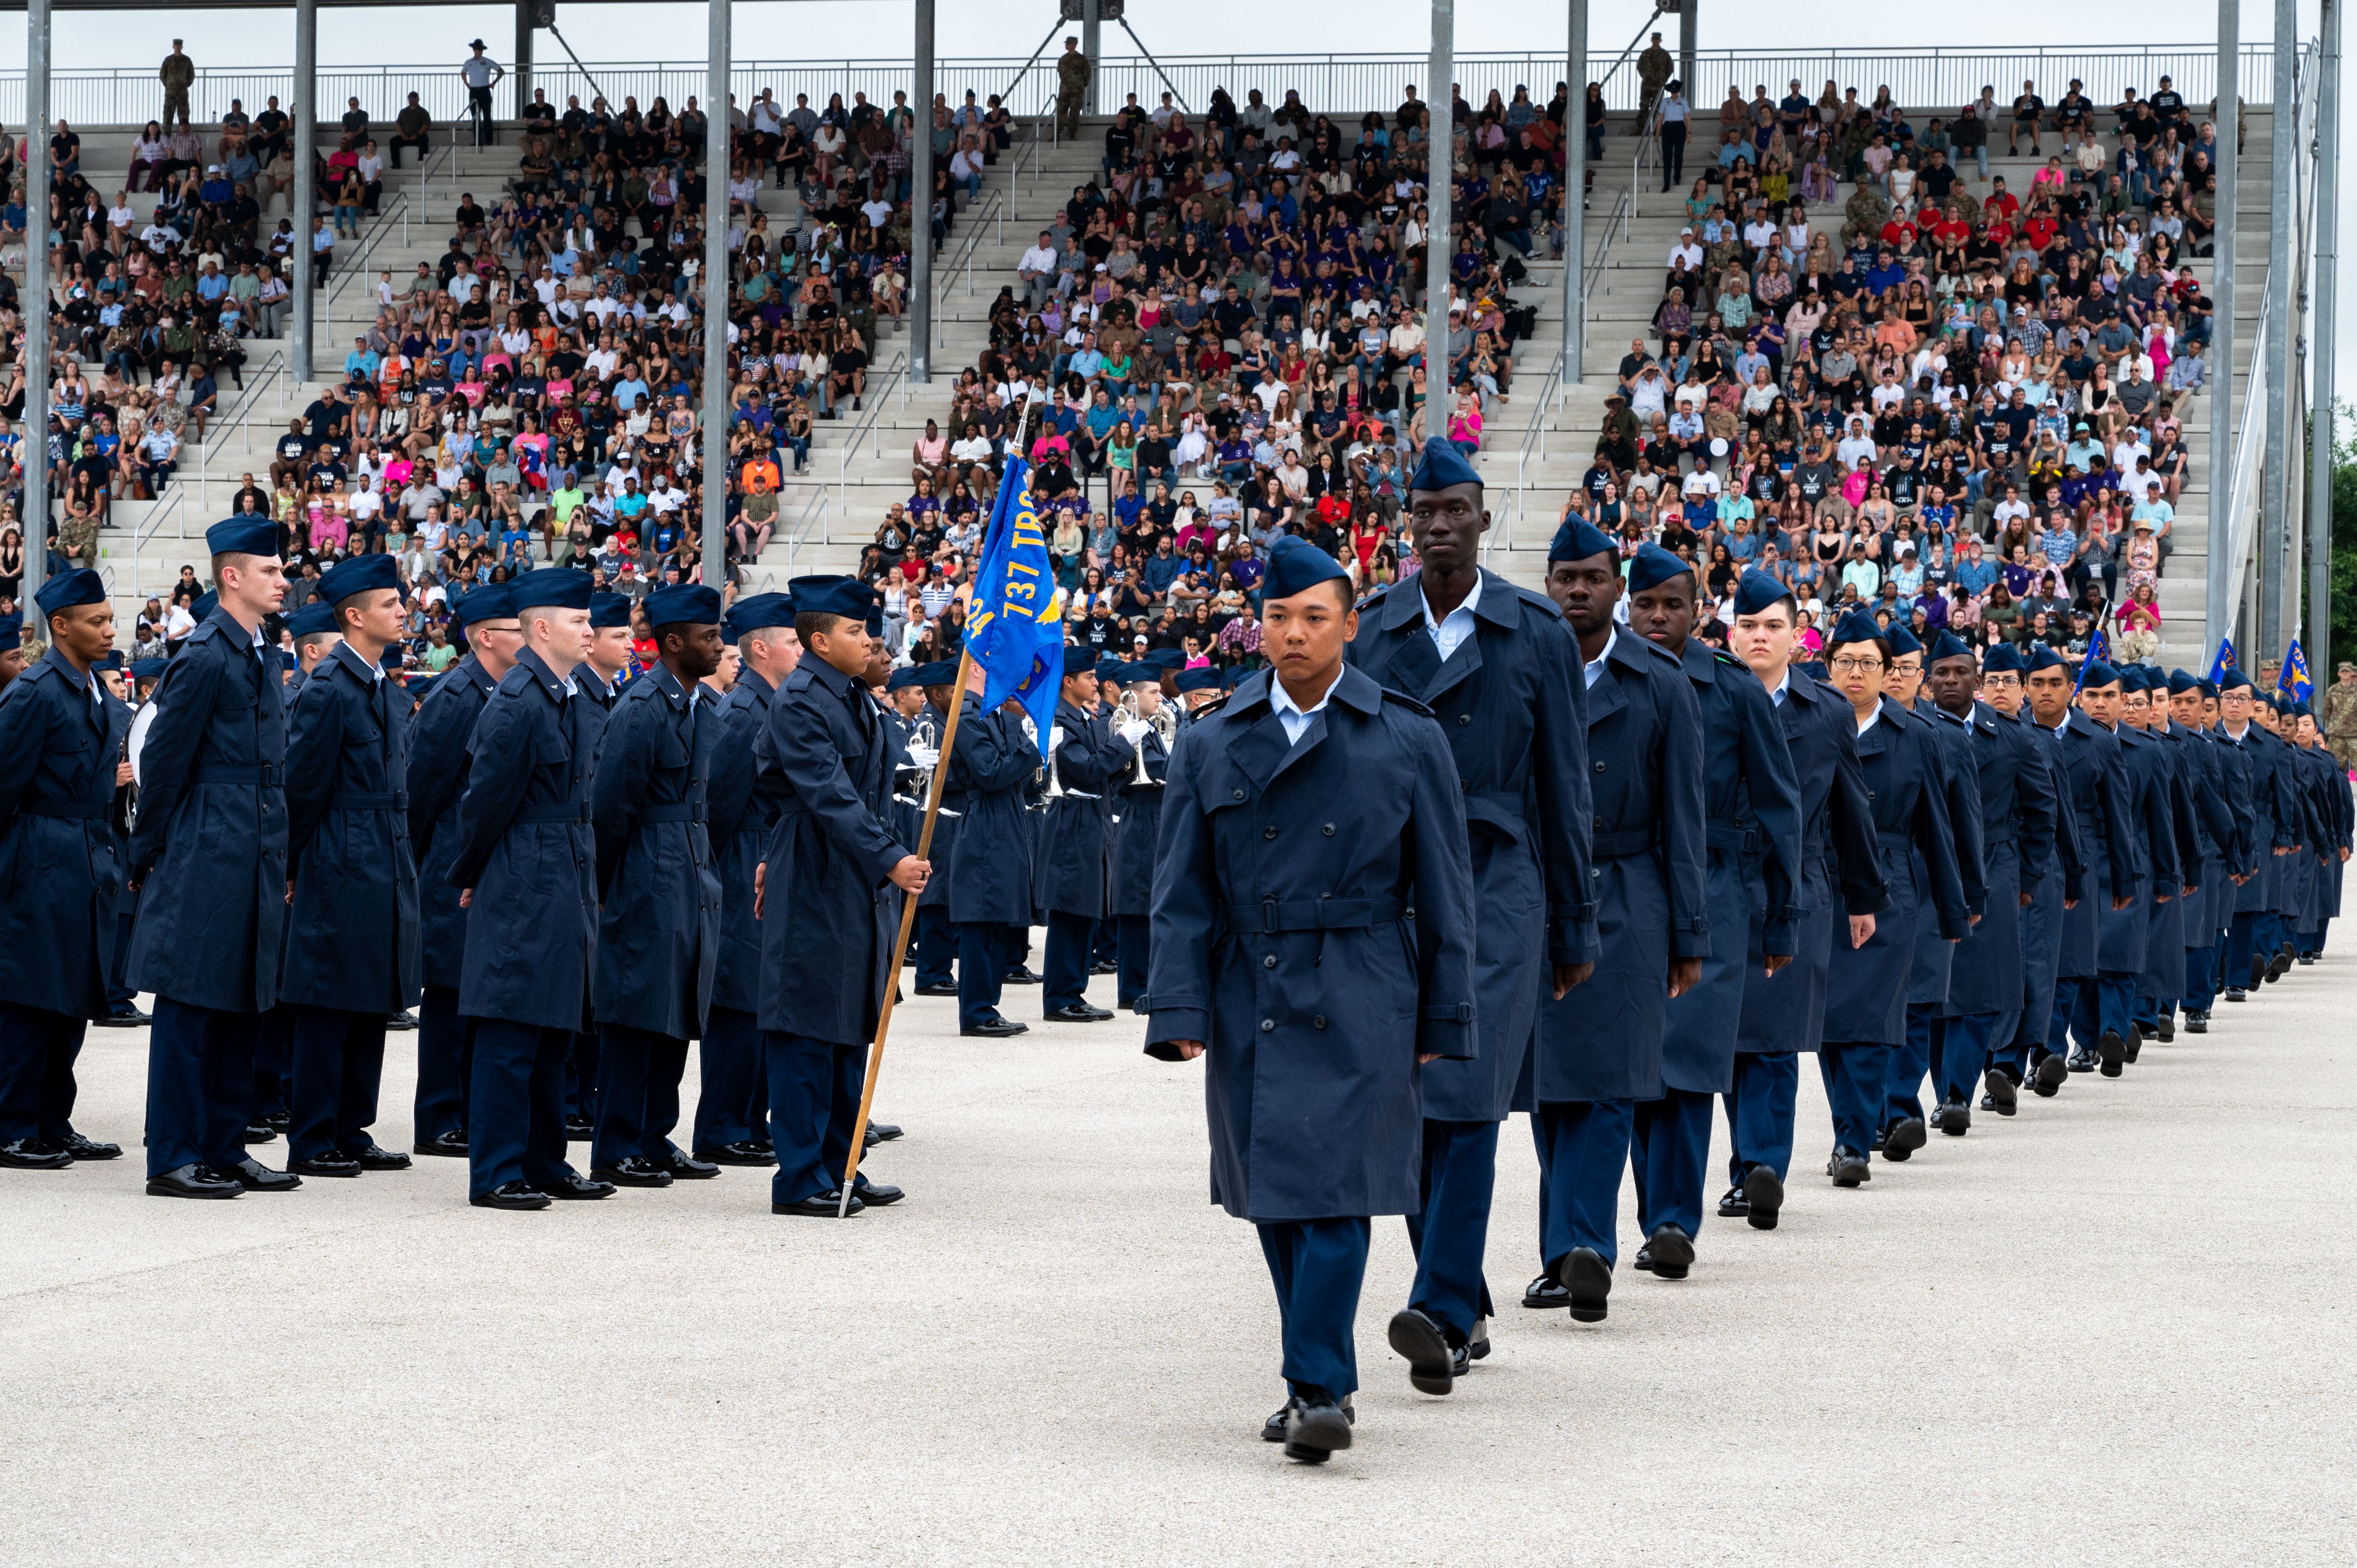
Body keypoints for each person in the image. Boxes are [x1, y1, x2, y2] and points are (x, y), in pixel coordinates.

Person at [1143, 534, 1476, 1465]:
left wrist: (1444, 1016)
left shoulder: (1407, 735)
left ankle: (1317, 1386)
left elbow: (1447, 889)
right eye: (1280, 618)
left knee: (1338, 1194)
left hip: (1367, 979)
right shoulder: (1211, 738)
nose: (1294, 634)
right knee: (1275, 1199)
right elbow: (1180, 891)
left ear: (1350, 626)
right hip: (1250, 981)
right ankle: (1312, 1372)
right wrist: (1177, 1011)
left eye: (1314, 618)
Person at [1346, 439, 1594, 1386]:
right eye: (1425, 513)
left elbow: (1566, 789)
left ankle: (1442, 1308)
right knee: (1411, 1098)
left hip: (1498, 886)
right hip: (1398, 888)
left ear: (1484, 521)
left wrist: (1575, 925)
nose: (1440, 526)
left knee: (1467, 1093)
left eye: (1457, 510)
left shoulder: (1534, 631)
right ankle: (1461, 1295)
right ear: (1408, 526)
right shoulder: (1372, 632)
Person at [1528, 517, 1706, 1323]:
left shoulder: (1660, 680)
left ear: (1616, 590)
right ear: (1548, 583)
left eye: (1592, 578)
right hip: (1534, 892)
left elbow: (1685, 817)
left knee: (1607, 1083)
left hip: (1630, 892)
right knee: (1548, 1086)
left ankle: (1586, 1246)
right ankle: (1559, 1250)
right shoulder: (1523, 666)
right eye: (1564, 577)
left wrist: (1688, 934)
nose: (1577, 590)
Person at [1623, 546, 1802, 1278]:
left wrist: (1781, 913)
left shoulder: (1732, 690)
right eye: (1646, 604)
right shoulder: (1599, 680)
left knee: (1692, 1060)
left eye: (1674, 604)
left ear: (1700, 611)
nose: (1659, 618)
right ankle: (1649, 1208)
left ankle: (1672, 1218)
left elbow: (1779, 805)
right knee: (1633, 1058)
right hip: (1630, 885)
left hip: (1717, 887)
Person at [130, 517, 301, 1200]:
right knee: (191, 1000)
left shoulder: (259, 650)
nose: (283, 579)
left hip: (253, 839)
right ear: (232, 576)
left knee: (242, 1000)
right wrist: (148, 850)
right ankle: (173, 1153)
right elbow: (165, 761)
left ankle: (225, 1146)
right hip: (207, 838)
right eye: (271, 570)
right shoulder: (204, 653)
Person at [1716, 571, 1887, 1230]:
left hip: (1799, 885)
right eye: (1749, 625)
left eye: (1773, 626)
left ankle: (1764, 1167)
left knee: (1776, 1035)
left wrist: (1863, 895)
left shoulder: (1827, 711)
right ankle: (1744, 1166)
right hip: (1722, 878)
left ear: (1797, 634)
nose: (1760, 636)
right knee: (1729, 1034)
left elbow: (1852, 805)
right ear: (1733, 632)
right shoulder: (1706, 696)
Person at [753, 576, 928, 1217]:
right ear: (820, 640)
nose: (868, 641)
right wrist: (892, 861)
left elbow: (869, 796)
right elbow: (828, 793)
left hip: (855, 868)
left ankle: (840, 1163)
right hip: (818, 865)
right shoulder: (800, 699)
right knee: (807, 1022)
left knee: (851, 1019)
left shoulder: (854, 695)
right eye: (856, 631)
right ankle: (801, 1177)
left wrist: (891, 857)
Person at [445, 567, 614, 1210]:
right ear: (541, 628)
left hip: (565, 867)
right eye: (578, 621)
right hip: (523, 868)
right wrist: (472, 873)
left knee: (555, 1030)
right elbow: (484, 800)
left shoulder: (565, 693)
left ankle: (545, 1161)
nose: (589, 630)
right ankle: (496, 1170)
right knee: (512, 1027)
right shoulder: (518, 699)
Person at [1813, 607, 1969, 1188]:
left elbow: (1937, 826)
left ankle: (1853, 1139)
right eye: (1846, 661)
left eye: (1869, 663)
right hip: (1820, 882)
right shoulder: (1807, 725)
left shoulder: (1917, 737)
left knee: (1873, 1019)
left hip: (1889, 885)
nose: (1856, 672)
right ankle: (1847, 1126)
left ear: (1889, 673)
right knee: (1830, 1021)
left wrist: (1953, 907)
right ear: (1828, 667)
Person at [280, 552, 422, 1177]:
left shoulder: (377, 684)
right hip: (339, 848)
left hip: (381, 849)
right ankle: (312, 1134)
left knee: (371, 993)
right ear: (355, 616)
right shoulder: (329, 687)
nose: (403, 612)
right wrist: (291, 864)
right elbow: (303, 785)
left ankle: (350, 1125)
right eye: (391, 605)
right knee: (328, 998)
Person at [587, 582, 726, 1189]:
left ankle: (654, 1133)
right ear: (674, 642)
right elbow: (611, 806)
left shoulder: (698, 704)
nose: (720, 646)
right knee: (637, 1008)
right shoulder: (643, 707)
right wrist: (609, 886)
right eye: (710, 637)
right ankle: (617, 1141)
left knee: (678, 1003)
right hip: (646, 864)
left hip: (690, 862)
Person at [0, 569, 129, 1170]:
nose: (109, 630)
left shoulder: (92, 691)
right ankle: (12, 1124)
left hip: (88, 855)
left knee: (73, 994)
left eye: (109, 618)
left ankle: (53, 1120)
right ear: (61, 625)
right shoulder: (34, 692)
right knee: (30, 996)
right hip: (39, 854)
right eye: (96, 621)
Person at [1916, 631, 2060, 1134]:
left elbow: (2043, 809)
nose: (1950, 680)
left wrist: (2028, 875)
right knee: (1935, 987)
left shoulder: (2013, 736)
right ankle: (1941, 1091)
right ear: (1928, 679)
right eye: (1942, 673)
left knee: (1980, 988)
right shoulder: (1916, 729)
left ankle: (1958, 1091)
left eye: (1960, 672)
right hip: (1931, 868)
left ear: (1976, 680)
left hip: (1995, 868)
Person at [405, 586, 519, 1158]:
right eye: (515, 628)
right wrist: (425, 862)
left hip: (480, 860)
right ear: (484, 636)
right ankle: (439, 1116)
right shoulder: (457, 695)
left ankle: (469, 1110)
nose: (527, 636)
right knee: (449, 993)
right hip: (451, 862)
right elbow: (422, 789)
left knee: (477, 991)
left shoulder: (504, 689)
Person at [699, 592, 797, 1165]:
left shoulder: (771, 703)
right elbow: (719, 803)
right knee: (737, 1001)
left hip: (764, 857)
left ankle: (751, 1119)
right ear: (760, 648)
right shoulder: (742, 711)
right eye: (789, 639)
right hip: (740, 861)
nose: (800, 648)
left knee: (761, 999)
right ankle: (722, 1124)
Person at [1883, 625, 1986, 1158]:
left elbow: (1965, 824)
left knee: (1919, 999)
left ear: (1916, 678)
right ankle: (1867, 1111)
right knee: (1869, 1002)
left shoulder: (1945, 735)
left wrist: (1969, 894)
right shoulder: (1844, 726)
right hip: (1863, 880)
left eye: (1906, 668)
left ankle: (1900, 1107)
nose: (1896, 677)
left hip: (1926, 879)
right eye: (1889, 667)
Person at [2030, 653, 2144, 1080]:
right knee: (2039, 961)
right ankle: (2047, 1050)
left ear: (2066, 690)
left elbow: (2119, 815)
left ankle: (2056, 1048)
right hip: (2030, 854)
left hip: (2084, 853)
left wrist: (2122, 874)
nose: (2046, 691)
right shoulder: (2016, 732)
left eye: (2054, 683)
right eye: (2037, 682)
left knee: (2073, 961)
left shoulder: (2098, 741)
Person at [1036, 645, 1135, 1023]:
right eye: (1089, 677)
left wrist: (1127, 758)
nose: (1096, 683)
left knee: (1086, 909)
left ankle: (1073, 991)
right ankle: (1060, 996)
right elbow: (1087, 769)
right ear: (1068, 681)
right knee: (1069, 909)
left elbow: (1104, 774)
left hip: (1091, 815)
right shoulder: (1059, 719)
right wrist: (1123, 743)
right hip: (1071, 819)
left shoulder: (1082, 717)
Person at [946, 655, 1041, 1039]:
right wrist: (1031, 748)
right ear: (975, 670)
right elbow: (989, 774)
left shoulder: (1001, 715)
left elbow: (1022, 781)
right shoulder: (967, 716)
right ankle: (975, 1011)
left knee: (997, 917)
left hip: (1008, 818)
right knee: (981, 919)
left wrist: (1036, 752)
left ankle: (987, 1005)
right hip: (985, 820)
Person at [1106, 663, 1175, 1011]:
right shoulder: (1127, 725)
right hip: (1140, 813)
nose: (1159, 697)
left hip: (1156, 813)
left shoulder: (1150, 728)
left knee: (1152, 898)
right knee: (1136, 901)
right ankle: (1132, 987)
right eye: (1153, 691)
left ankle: (1146, 980)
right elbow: (1148, 769)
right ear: (1133, 695)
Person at [908, 663, 965, 1000]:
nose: (957, 696)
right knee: (935, 894)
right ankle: (931, 973)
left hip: (945, 812)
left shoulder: (945, 721)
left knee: (944, 893)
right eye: (951, 691)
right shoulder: (931, 724)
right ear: (935, 695)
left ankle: (938, 969)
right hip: (936, 812)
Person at [460, 40, 504, 145]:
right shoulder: (468, 62)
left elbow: (501, 71)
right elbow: (463, 73)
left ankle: (489, 142)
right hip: (474, 91)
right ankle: (477, 142)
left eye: (481, 50)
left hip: (485, 90)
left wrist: (494, 82)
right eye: (477, 49)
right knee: (476, 118)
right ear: (474, 50)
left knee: (487, 117)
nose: (479, 51)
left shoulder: (487, 61)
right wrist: (467, 84)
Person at [1056, 36, 1091, 140]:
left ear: (1074, 45)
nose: (1066, 45)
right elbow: (1061, 74)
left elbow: (1087, 75)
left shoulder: (1082, 59)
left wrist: (1081, 85)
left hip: (1077, 90)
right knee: (1061, 111)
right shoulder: (1063, 60)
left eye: (1068, 44)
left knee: (1074, 112)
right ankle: (1057, 133)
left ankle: (1072, 134)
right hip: (1064, 90)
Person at [160, 40, 195, 130]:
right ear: (173, 47)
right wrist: (169, 85)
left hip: (182, 94)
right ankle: (167, 140)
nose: (178, 47)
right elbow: (163, 75)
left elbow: (191, 75)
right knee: (168, 117)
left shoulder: (187, 60)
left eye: (179, 45)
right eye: (176, 45)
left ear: (182, 47)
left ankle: (184, 138)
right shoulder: (168, 60)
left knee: (184, 118)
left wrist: (185, 85)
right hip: (170, 93)